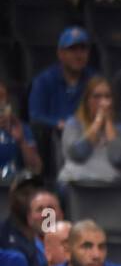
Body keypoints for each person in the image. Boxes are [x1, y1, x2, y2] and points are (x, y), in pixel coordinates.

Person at [26, 26, 92, 171]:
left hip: (87, 136)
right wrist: (59, 123)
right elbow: (35, 116)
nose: (79, 55)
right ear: (60, 54)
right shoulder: (43, 81)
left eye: (83, 49)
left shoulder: (94, 81)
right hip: (54, 138)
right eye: (73, 50)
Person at [59, 76, 121, 185]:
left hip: (112, 186)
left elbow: (119, 158)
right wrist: (98, 122)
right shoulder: (74, 124)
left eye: (107, 96)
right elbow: (78, 154)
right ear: (87, 101)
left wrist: (108, 122)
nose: (103, 102)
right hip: (76, 183)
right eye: (97, 96)